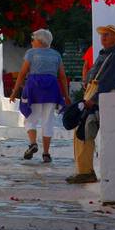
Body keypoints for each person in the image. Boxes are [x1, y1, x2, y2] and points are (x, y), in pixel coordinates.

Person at [66, 24, 115, 185]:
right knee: (81, 132)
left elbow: (109, 81)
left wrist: (95, 98)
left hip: (99, 98)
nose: (103, 37)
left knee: (85, 132)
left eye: (107, 35)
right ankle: (83, 170)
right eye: (103, 35)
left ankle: (86, 172)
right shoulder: (103, 55)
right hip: (91, 94)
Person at [11, 29, 69, 164]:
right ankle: (46, 154)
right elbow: (62, 76)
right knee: (48, 121)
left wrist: (14, 92)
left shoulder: (31, 53)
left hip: (34, 88)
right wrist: (66, 95)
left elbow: (22, 73)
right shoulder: (56, 55)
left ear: (39, 41)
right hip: (51, 89)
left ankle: (32, 144)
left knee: (30, 118)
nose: (32, 42)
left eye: (33, 39)